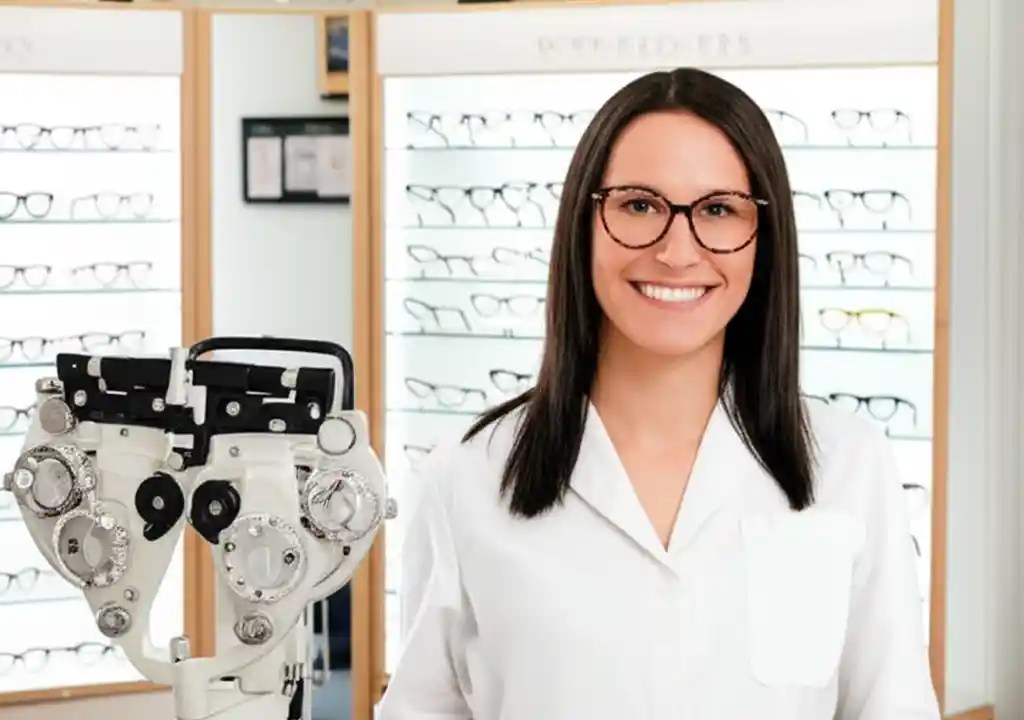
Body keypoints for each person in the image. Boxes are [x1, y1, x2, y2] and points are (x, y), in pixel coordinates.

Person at [375, 68, 939, 719]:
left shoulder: (847, 465)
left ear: (765, 238)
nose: (677, 251)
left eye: (719, 210)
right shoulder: (467, 477)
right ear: (584, 222)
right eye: (639, 205)